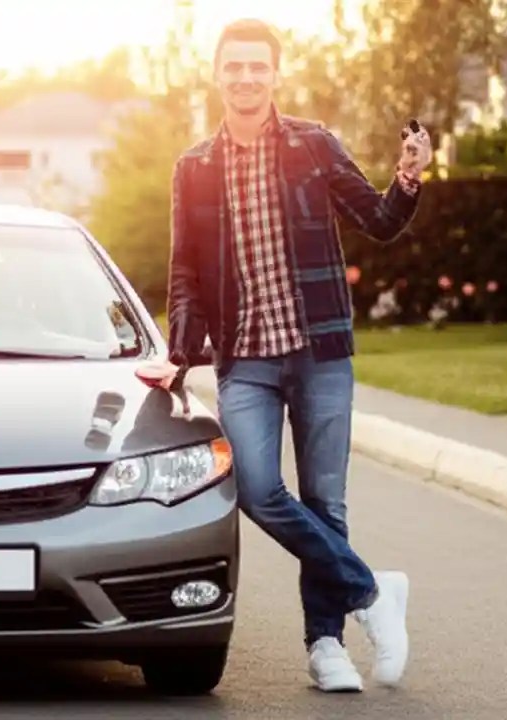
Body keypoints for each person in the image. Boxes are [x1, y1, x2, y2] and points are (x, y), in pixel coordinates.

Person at [156, 18, 433, 692]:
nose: (246, 78)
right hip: (245, 359)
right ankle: (372, 590)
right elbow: (186, 271)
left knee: (324, 500)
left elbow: (377, 220)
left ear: (275, 74)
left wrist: (407, 178)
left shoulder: (312, 145)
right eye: (235, 67)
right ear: (217, 74)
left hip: (320, 351)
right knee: (255, 488)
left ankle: (326, 646)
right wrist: (181, 355)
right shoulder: (194, 166)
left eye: (258, 67)